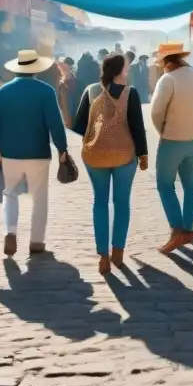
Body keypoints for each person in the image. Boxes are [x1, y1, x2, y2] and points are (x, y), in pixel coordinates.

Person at [0, 49, 69, 257]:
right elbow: (55, 124)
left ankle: (10, 232)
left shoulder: (2, 92)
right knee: (39, 197)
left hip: (10, 153)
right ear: (36, 70)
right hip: (38, 153)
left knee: (10, 193)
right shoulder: (46, 91)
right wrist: (62, 148)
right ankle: (36, 241)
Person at [72, 54, 148, 274]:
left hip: (95, 157)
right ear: (120, 71)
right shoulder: (130, 93)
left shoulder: (91, 91)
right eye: (126, 68)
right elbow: (136, 127)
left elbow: (78, 127)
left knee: (100, 202)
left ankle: (103, 256)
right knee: (121, 202)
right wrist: (142, 155)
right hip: (124, 156)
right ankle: (118, 252)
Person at [150, 42, 193, 254]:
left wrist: (163, 130)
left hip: (172, 141)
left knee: (164, 184)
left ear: (168, 62)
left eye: (161, 63)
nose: (161, 67)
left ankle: (177, 229)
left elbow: (155, 112)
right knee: (191, 187)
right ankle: (188, 229)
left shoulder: (168, 79)